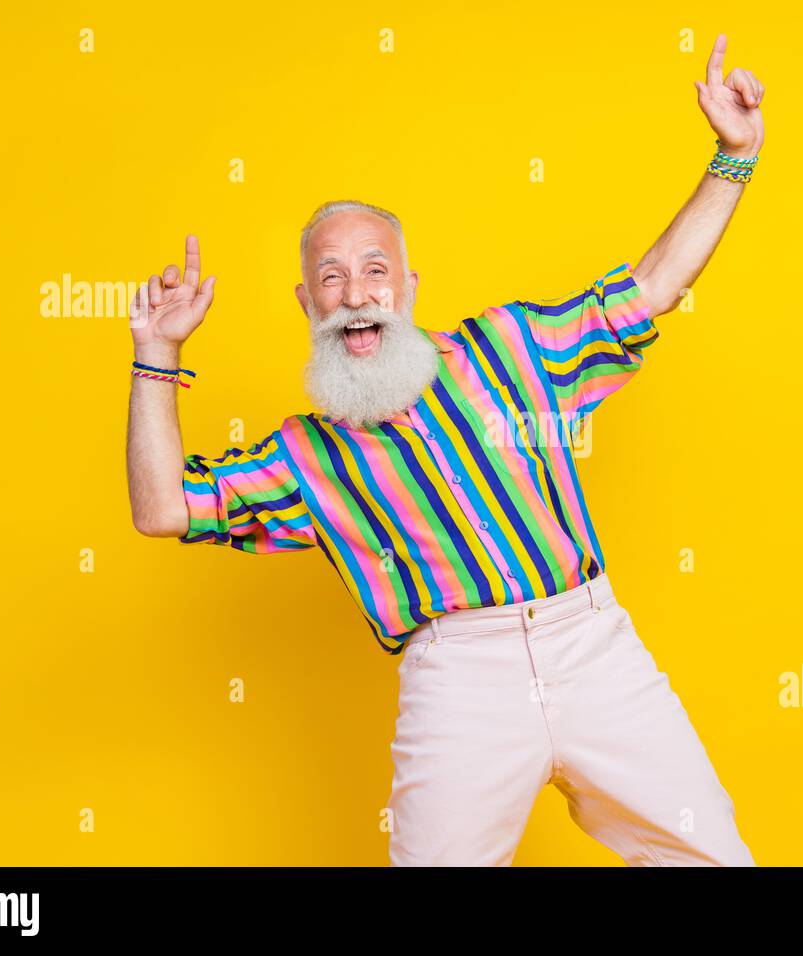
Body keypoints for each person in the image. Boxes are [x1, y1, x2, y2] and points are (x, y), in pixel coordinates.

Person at [126, 33, 764, 866]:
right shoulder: (299, 461)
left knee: (714, 857)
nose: (356, 292)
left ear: (410, 286)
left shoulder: (515, 348)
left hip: (591, 647)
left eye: (374, 269)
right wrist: (156, 352)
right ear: (307, 303)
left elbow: (651, 287)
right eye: (330, 278)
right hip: (458, 683)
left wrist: (734, 156)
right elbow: (163, 507)